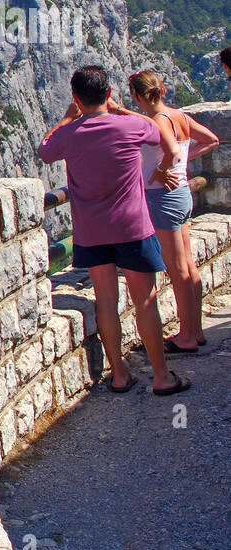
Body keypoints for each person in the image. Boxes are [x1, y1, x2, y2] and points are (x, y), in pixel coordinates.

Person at [37, 65, 190, 395]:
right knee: (145, 300)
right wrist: (119, 109)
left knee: (106, 301)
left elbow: (45, 149)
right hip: (133, 227)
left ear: (76, 98)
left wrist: (66, 119)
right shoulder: (130, 125)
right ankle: (162, 378)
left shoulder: (69, 134)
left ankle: (119, 374)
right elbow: (160, 134)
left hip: (91, 233)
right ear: (108, 93)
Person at [114, 71, 220, 352]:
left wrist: (163, 169)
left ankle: (186, 337)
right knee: (188, 266)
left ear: (138, 96)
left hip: (163, 198)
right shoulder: (178, 116)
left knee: (177, 270)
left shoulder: (158, 121)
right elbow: (211, 139)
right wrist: (182, 162)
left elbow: (170, 151)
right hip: (182, 193)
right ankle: (195, 332)